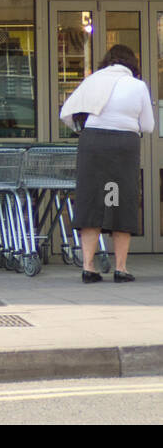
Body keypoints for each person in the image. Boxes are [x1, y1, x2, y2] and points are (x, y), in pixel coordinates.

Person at [59, 44, 154, 283]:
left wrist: (82, 129)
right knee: (123, 200)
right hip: (125, 144)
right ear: (132, 63)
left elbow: (66, 113)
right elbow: (149, 126)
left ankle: (88, 267)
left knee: (91, 199)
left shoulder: (93, 80)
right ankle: (121, 268)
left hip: (93, 142)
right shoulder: (137, 85)